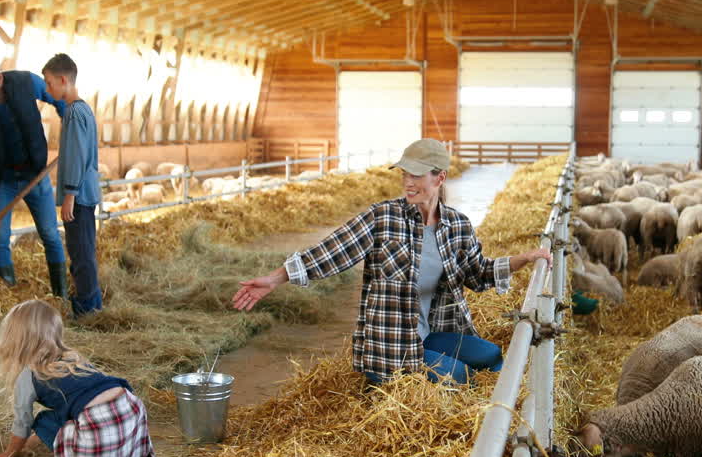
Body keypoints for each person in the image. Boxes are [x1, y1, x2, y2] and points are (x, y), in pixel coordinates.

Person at [232, 137, 551, 388]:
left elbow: (479, 272)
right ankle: (384, 383)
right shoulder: (383, 217)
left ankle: (439, 367)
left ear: (439, 177)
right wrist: (274, 279)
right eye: (404, 174)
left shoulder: (457, 225)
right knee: (462, 379)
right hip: (391, 347)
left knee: (493, 356)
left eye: (416, 174)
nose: (408, 182)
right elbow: (331, 252)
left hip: (427, 333)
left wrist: (525, 258)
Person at [0, 299, 155, 457]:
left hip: (99, 425)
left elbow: (23, 423)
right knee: (61, 415)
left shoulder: (29, 374)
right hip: (129, 409)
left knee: (42, 420)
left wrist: (9, 454)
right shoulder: (73, 359)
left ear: (14, 338)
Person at [0, 55, 68, 300]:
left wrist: (69, 118)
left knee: (50, 234)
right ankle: (6, 298)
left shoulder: (24, 82)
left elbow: (56, 96)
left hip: (36, 174)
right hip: (5, 180)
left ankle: (60, 295)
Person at [41, 53, 103, 316]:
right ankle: (91, 303)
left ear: (64, 80)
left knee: (80, 253)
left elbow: (77, 156)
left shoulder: (75, 112)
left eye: (49, 83)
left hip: (79, 196)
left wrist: (70, 195)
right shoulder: (80, 109)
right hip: (83, 194)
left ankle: (88, 308)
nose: (47, 89)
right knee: (82, 250)